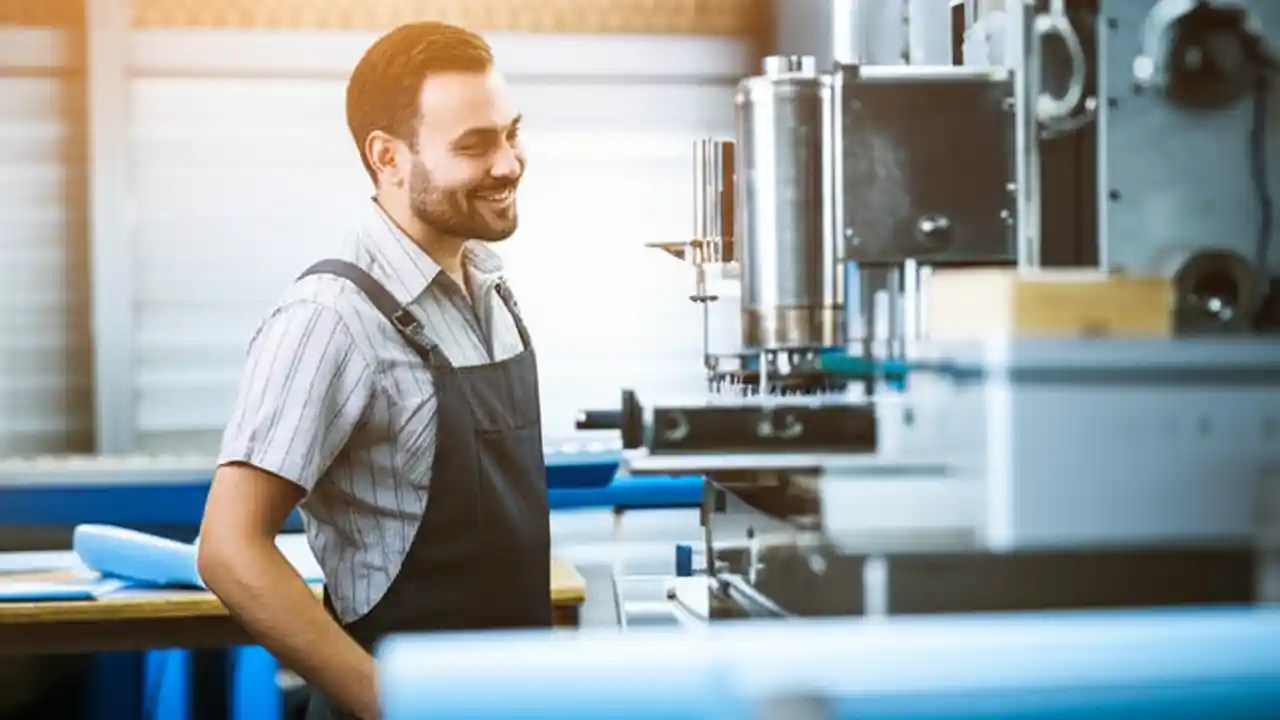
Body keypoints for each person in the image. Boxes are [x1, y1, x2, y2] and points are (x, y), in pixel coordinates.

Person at [196, 21, 549, 720]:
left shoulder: (491, 287)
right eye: (475, 145)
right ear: (388, 156)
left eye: (512, 133)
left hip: (514, 697)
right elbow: (230, 550)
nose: (508, 163)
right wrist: (381, 700)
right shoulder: (331, 318)